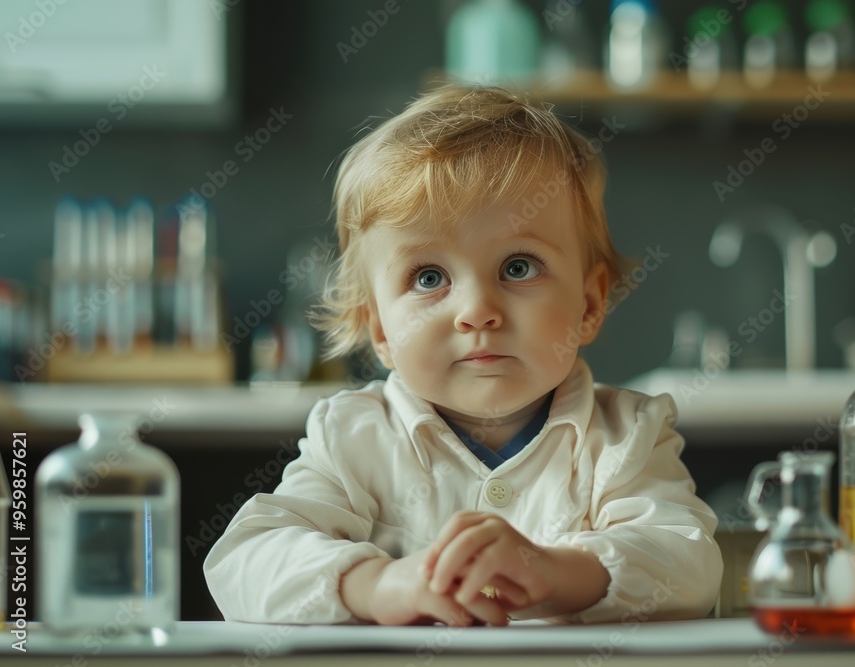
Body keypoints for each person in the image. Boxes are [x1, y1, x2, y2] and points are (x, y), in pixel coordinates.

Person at [204, 85, 722, 626]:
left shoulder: (624, 437)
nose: (476, 311)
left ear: (589, 304)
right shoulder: (353, 439)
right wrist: (377, 584)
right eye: (429, 278)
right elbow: (243, 561)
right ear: (379, 328)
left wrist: (558, 574)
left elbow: (689, 564)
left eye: (518, 267)